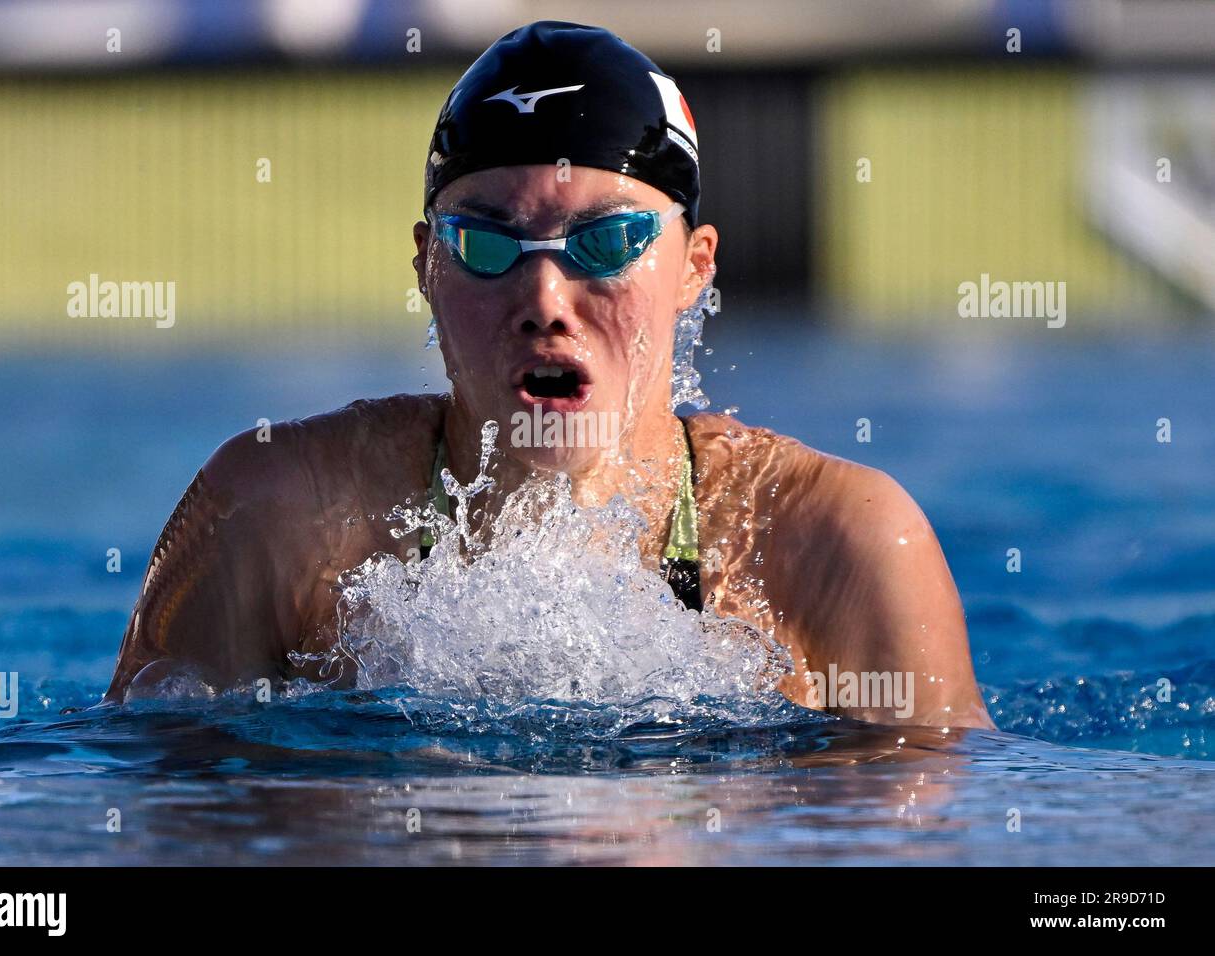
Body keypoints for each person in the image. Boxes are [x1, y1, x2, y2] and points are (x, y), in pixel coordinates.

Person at [107, 21, 994, 730]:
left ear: (694, 266)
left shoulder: (840, 549)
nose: (543, 297)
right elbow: (157, 810)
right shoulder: (272, 515)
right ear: (426, 265)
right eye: (485, 244)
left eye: (606, 242)